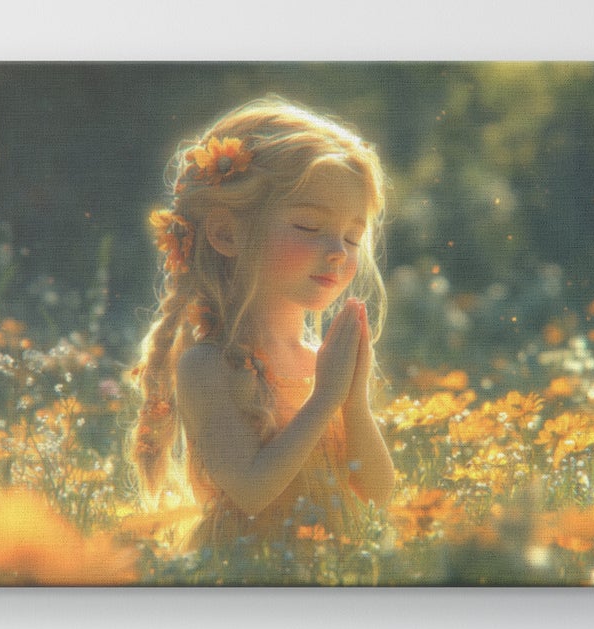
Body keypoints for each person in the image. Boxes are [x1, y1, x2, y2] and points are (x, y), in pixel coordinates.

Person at [129, 97, 396, 565]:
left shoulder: (320, 361)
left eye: (352, 237)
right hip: (246, 569)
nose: (338, 251)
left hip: (327, 567)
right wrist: (326, 399)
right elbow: (251, 491)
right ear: (227, 235)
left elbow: (376, 494)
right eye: (309, 226)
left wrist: (354, 402)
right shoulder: (208, 366)